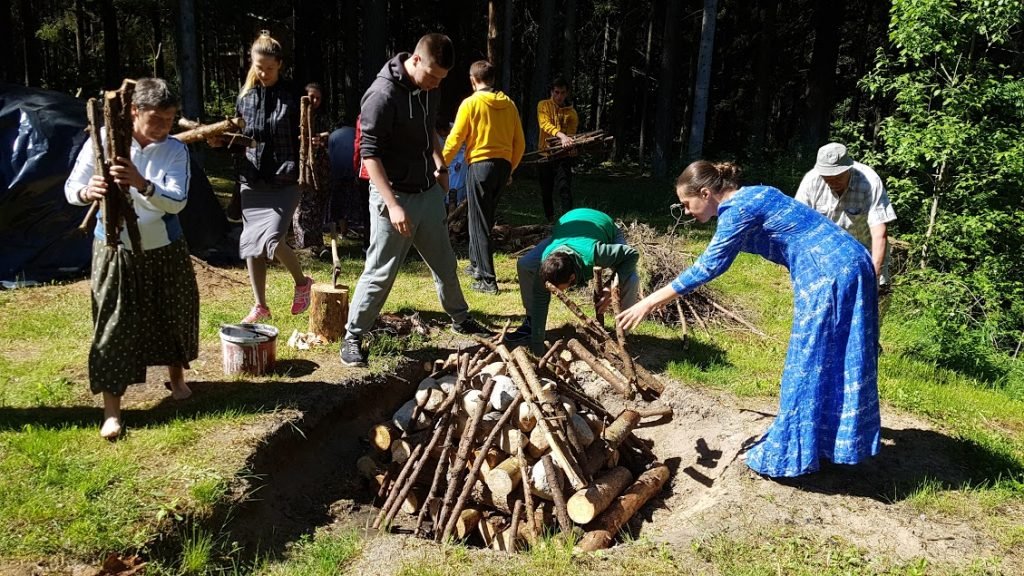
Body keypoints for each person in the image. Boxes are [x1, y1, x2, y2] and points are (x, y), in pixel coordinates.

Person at [616, 161, 881, 477]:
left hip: (829, 274)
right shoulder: (755, 194)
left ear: (705, 192)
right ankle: (830, 443)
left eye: (687, 204)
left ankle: (789, 456)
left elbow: (708, 267)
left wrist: (647, 303)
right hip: (852, 262)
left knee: (808, 361)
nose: (686, 211)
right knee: (836, 355)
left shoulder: (737, 211)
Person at [340, 33, 492, 367]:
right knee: (380, 271)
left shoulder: (428, 89)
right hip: (393, 197)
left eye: (442, 79)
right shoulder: (381, 96)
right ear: (417, 60)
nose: (436, 84)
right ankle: (352, 336)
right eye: (433, 76)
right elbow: (370, 155)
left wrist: (440, 164)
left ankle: (460, 317)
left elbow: (429, 131)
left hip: (426, 193)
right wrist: (392, 205)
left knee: (445, 263)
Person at [64, 78, 199, 439]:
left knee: (172, 312)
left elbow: (177, 200)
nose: (164, 128)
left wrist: (142, 183)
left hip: (164, 246)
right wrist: (85, 190)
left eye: (169, 120)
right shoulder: (104, 141)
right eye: (156, 120)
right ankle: (112, 412)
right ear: (135, 111)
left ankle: (176, 379)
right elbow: (71, 188)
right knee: (112, 325)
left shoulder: (173, 150)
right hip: (114, 247)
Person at [234, 31, 314, 324]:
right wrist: (225, 140)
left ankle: (302, 282)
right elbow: (243, 137)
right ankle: (260, 305)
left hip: (285, 179)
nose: (263, 72)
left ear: (280, 64)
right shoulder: (246, 97)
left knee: (270, 238)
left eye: (269, 67)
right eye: (258, 66)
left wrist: (313, 140)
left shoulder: (293, 96)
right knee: (251, 242)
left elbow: (305, 133)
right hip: (251, 179)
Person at [442, 60, 526, 294]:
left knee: (479, 222)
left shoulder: (470, 103)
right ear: (493, 80)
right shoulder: (508, 104)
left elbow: (455, 139)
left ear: (472, 80)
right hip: (502, 166)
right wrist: (511, 168)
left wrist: (441, 167)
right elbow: (519, 142)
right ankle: (476, 265)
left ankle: (487, 281)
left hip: (480, 165)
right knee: (481, 218)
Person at [506, 208, 639, 352]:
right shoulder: (546, 263)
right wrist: (537, 345)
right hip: (568, 227)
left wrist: (609, 287)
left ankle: (623, 335)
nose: (555, 293)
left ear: (572, 277)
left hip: (603, 226)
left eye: (557, 289)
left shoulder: (597, 253)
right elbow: (540, 298)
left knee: (631, 278)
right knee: (525, 264)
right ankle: (531, 325)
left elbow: (632, 255)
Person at [795, 142, 897, 287]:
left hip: (866, 256)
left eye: (837, 176)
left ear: (849, 169)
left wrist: (873, 276)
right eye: (827, 177)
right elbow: (800, 226)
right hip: (826, 256)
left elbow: (879, 232)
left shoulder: (870, 181)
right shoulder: (811, 181)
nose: (832, 181)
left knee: (873, 303)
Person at [291, 82, 333, 258]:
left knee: (317, 204)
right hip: (303, 168)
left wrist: (323, 138)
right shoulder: (295, 116)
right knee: (302, 205)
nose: (314, 100)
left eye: (318, 97)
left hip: (321, 168)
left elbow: (332, 134)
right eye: (311, 96)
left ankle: (317, 242)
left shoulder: (323, 117)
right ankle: (304, 244)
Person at [536, 77, 578, 222]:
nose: (559, 96)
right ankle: (550, 219)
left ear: (567, 93)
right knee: (546, 190)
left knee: (564, 188)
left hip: (562, 156)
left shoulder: (571, 113)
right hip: (545, 154)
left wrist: (572, 147)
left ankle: (569, 219)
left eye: (562, 93)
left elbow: (572, 134)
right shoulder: (543, 105)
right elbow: (545, 124)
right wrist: (561, 136)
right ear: (551, 92)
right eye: (556, 92)